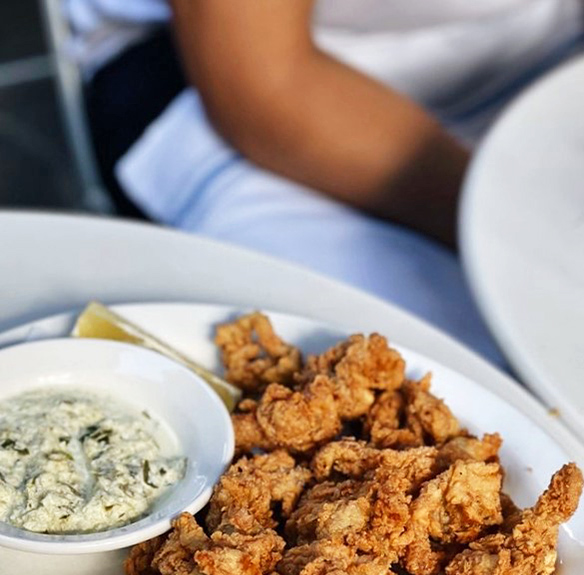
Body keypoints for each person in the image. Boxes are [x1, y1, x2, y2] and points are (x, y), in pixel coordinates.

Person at [65, 0, 583, 365]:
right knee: (443, 377)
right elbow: (265, 87)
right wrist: (526, 241)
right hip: (244, 81)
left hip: (541, 49)